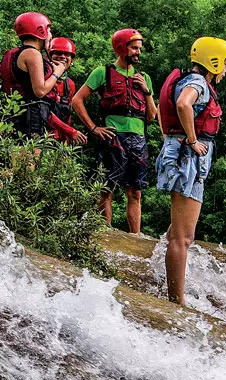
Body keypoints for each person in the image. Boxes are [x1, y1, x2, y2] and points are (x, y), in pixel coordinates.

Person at [155, 36, 226, 306]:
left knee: (177, 231)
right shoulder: (198, 83)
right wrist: (191, 140)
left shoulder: (191, 79)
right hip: (188, 159)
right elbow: (182, 105)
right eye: (224, 63)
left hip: (183, 158)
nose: (225, 70)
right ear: (212, 61)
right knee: (183, 237)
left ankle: (166, 282)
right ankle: (176, 302)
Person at [70, 28, 157, 233]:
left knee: (135, 192)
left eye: (139, 48)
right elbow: (77, 100)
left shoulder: (144, 77)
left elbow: (152, 116)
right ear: (121, 48)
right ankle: (105, 233)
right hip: (113, 138)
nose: (138, 52)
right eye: (134, 48)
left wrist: (147, 91)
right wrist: (93, 128)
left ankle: (135, 238)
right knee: (106, 189)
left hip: (138, 139)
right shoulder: (103, 72)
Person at [0, 12, 66, 137]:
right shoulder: (33, 54)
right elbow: (40, 91)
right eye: (49, 31)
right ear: (41, 30)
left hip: (14, 114)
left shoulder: (13, 53)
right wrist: (57, 72)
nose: (51, 36)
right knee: (32, 155)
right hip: (31, 118)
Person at [46, 36, 85, 145]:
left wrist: (67, 140)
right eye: (58, 53)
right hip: (41, 135)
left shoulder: (70, 84)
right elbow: (44, 111)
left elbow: (67, 115)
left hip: (59, 139)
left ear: (72, 60)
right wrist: (71, 131)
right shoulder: (43, 78)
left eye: (66, 54)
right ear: (49, 56)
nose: (62, 57)